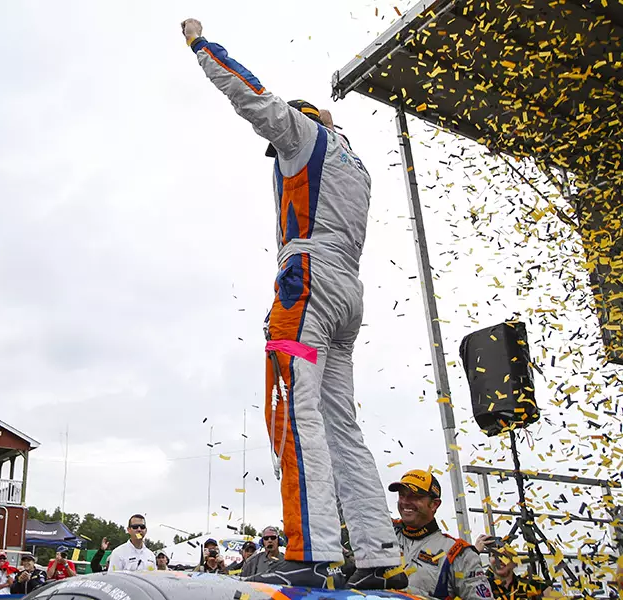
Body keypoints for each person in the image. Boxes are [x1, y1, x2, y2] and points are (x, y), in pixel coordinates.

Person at [180, 17, 405, 590]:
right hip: (348, 292)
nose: (276, 153)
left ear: (299, 122)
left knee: (292, 411)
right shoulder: (355, 161)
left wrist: (201, 45)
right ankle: (378, 549)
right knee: (341, 424)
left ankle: (311, 548)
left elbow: (250, 94)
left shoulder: (303, 135)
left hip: (305, 284)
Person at [390, 469, 492, 600]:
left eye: (415, 496)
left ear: (434, 504)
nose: (405, 501)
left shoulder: (458, 552)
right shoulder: (383, 531)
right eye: (402, 495)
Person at [476, 538, 545, 600]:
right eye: (494, 555)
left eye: (504, 555)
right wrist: (474, 553)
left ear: (515, 562)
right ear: (489, 560)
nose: (499, 559)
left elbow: (552, 595)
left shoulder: (529, 585)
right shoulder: (482, 587)